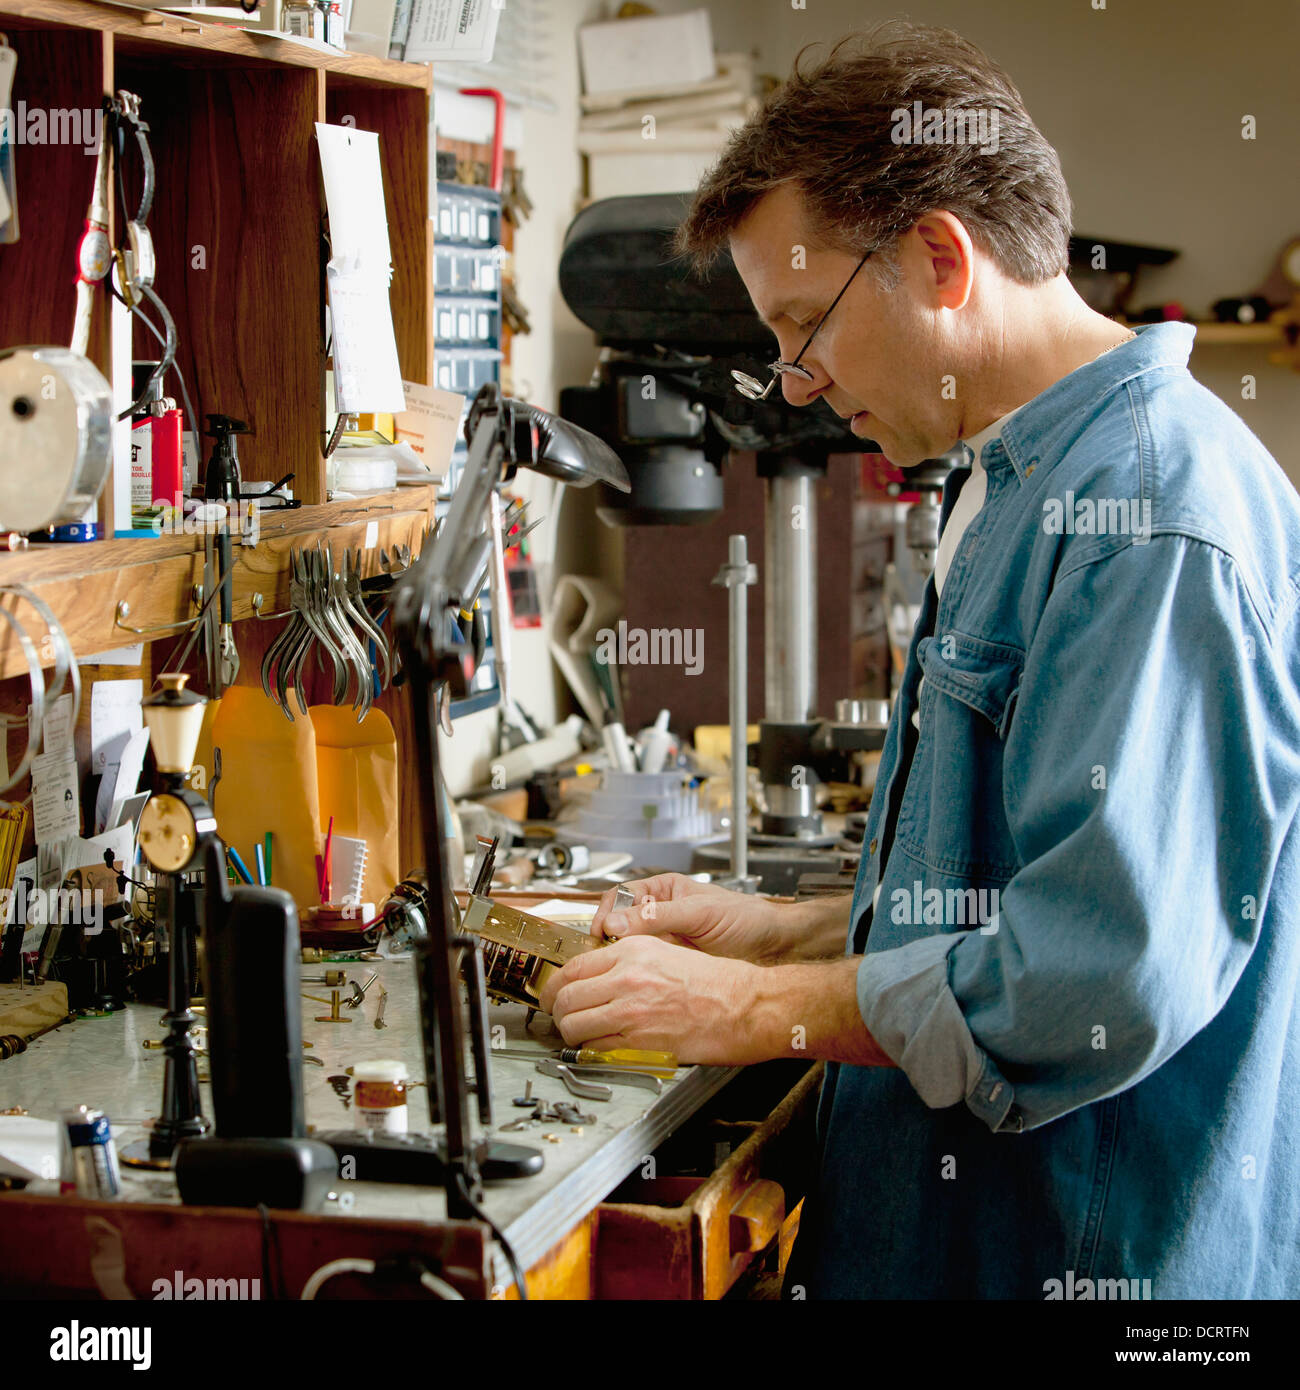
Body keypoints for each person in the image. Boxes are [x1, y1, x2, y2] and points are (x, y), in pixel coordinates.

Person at [538, 21, 1300, 1299]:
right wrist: (784, 935)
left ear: (939, 258)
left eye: (801, 323)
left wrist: (739, 1011)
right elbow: (1011, 887)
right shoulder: (1016, 479)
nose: (790, 383)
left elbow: (1097, 971)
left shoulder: (1149, 517)